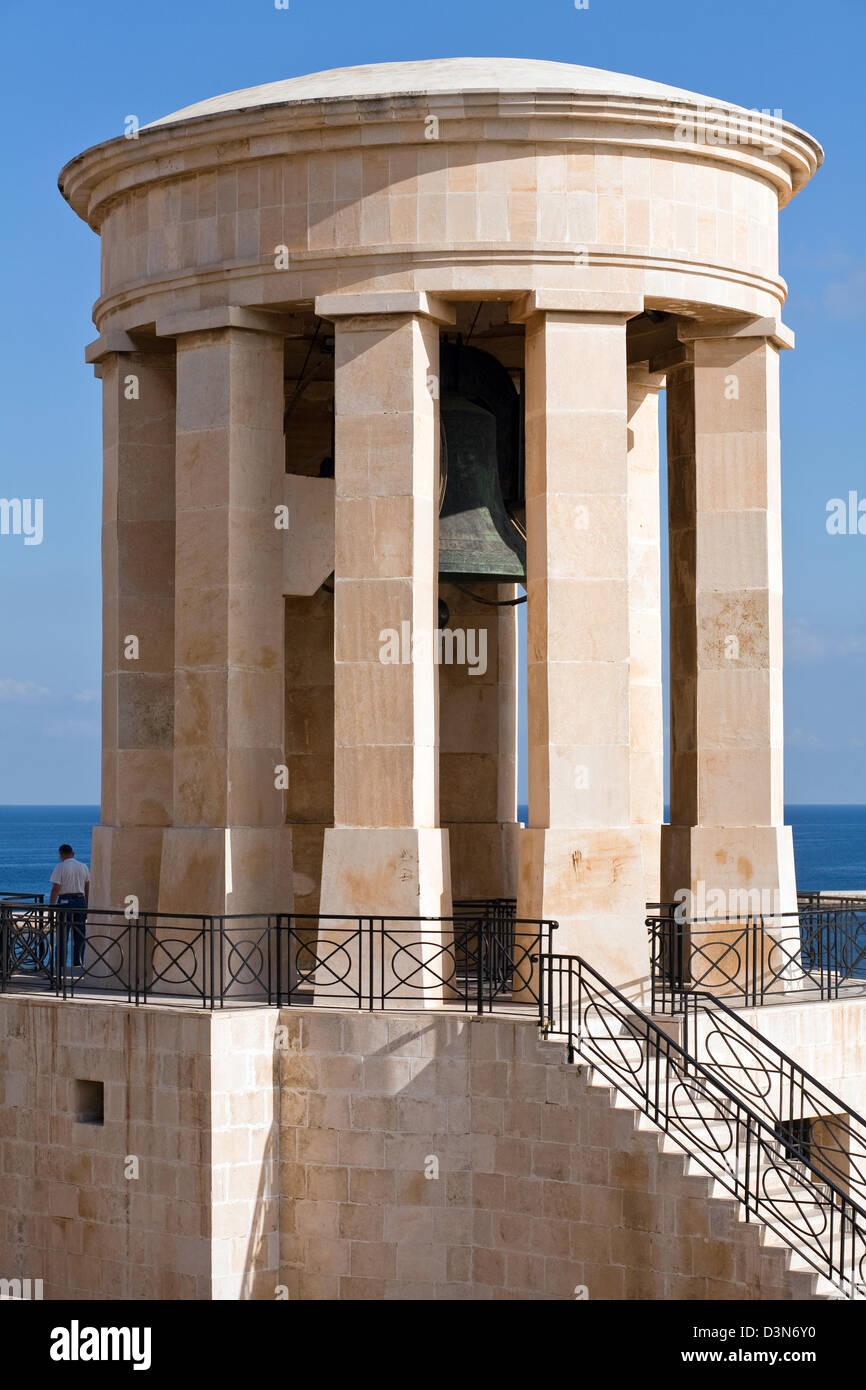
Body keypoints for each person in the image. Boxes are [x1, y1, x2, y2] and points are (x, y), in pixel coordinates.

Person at [49, 844, 90, 973]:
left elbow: (56, 888)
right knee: (80, 935)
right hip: (80, 901)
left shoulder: (60, 866)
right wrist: (87, 906)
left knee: (62, 936)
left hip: (65, 902)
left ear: (61, 854)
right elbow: (87, 887)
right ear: (73, 853)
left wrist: (51, 907)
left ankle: (60, 967)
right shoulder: (83, 866)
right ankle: (78, 965)